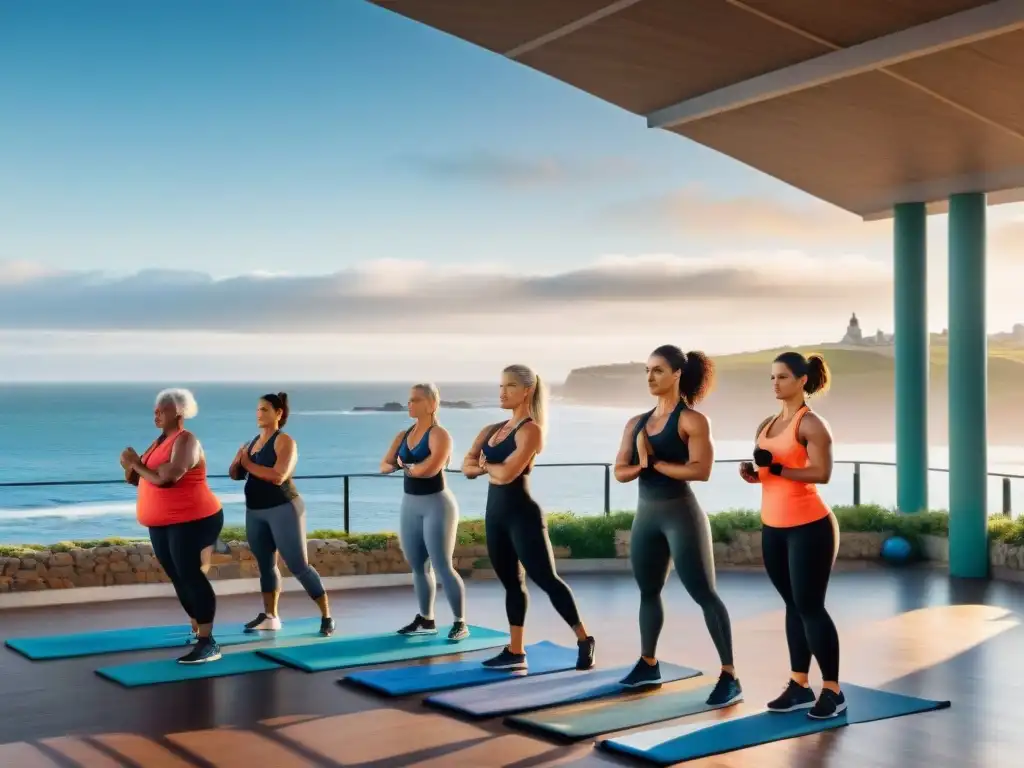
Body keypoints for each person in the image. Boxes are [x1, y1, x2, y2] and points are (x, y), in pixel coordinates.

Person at [612, 345, 742, 707]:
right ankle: (648, 664)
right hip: (646, 516)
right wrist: (642, 463)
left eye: (657, 370)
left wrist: (652, 462)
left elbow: (701, 470)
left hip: (681, 516)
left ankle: (730, 676)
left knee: (704, 594)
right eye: (647, 370)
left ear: (677, 374)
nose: (650, 377)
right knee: (648, 591)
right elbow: (620, 471)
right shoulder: (635, 423)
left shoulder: (692, 421)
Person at [462, 364, 596, 672]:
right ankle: (516, 651)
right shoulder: (491, 430)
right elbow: (466, 466)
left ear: (527, 391)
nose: (502, 392)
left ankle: (584, 639)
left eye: (510, 386)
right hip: (495, 516)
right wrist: (486, 467)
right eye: (501, 385)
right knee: (511, 584)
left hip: (523, 516)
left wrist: (485, 466)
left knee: (547, 580)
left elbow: (507, 474)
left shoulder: (531, 431)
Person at [739, 350, 844, 720]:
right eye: (772, 377)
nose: (775, 383)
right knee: (792, 605)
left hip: (810, 527)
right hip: (774, 527)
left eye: (782, 377)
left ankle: (833, 690)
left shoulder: (811, 424)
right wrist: (754, 475)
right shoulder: (766, 424)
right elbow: (769, 473)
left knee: (810, 606)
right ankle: (799, 684)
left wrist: (780, 470)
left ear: (802, 381)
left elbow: (821, 473)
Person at [120, 388, 224, 664]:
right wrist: (130, 466)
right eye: (154, 410)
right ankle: (198, 628)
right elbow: (140, 478)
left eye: (161, 410)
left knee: (189, 574)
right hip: (163, 522)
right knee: (177, 576)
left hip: (193, 518)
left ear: (177, 412)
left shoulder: (186, 440)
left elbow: (168, 479)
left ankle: (208, 643)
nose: (156, 414)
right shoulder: (157, 443)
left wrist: (137, 464)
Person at [228, 392, 335, 637]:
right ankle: (270, 616)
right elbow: (235, 474)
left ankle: (327, 616)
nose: (259, 413)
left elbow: (278, 476)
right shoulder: (251, 443)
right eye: (258, 409)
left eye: (265, 409)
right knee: (266, 566)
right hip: (255, 511)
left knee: (298, 566)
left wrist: (247, 463)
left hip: (283, 509)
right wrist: (238, 462)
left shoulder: (285, 441)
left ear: (278, 413)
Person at [380, 383, 468, 641]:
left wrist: (403, 465)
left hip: (437, 505)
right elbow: (384, 465)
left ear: (431, 404)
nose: (410, 404)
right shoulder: (403, 435)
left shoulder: (439, 435)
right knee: (418, 565)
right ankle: (426, 619)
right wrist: (404, 466)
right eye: (409, 400)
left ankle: (460, 622)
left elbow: (428, 470)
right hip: (410, 504)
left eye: (416, 400)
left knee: (442, 566)